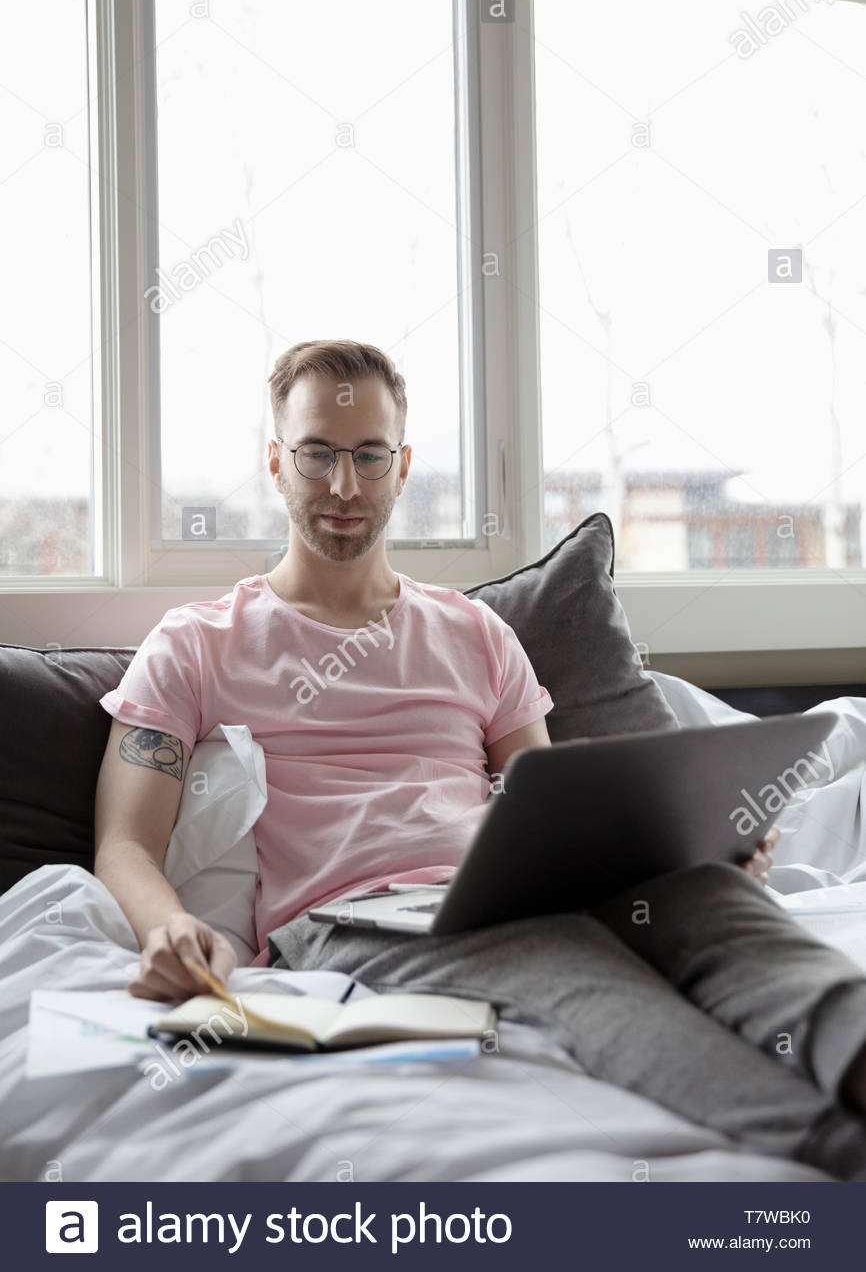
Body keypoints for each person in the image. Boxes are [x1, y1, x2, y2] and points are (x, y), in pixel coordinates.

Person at [94, 338, 866, 1180]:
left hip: (517, 881)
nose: (345, 485)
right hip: (365, 914)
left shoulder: (475, 633)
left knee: (715, 904)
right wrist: (167, 928)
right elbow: (126, 844)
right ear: (277, 464)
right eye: (317, 456)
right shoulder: (195, 644)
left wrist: (692, 845)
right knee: (597, 989)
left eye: (368, 456)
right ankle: (833, 1162)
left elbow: (555, 805)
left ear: (402, 465)